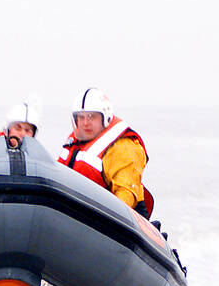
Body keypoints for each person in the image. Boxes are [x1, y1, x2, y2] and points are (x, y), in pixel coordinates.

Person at [58, 87, 154, 217]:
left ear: (105, 117)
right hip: (78, 211)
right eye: (81, 117)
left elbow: (125, 195)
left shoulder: (122, 147)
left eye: (92, 117)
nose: (86, 123)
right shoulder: (74, 143)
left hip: (109, 219)